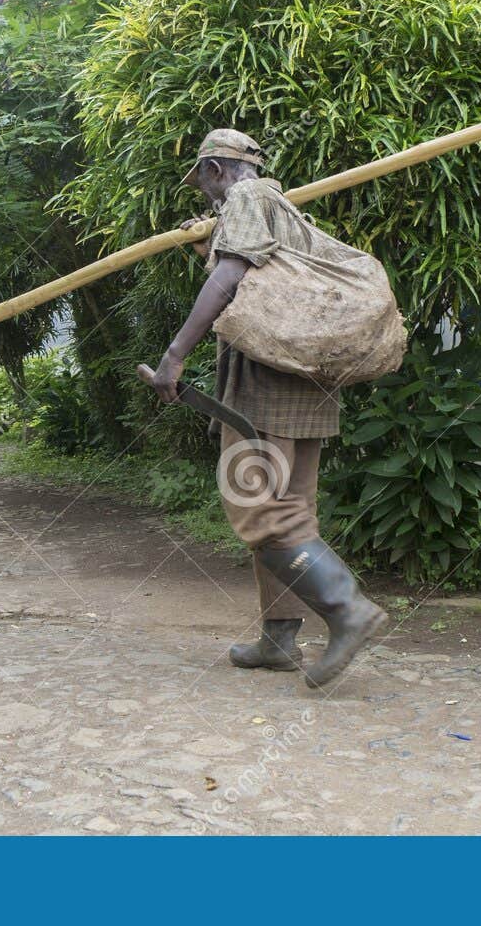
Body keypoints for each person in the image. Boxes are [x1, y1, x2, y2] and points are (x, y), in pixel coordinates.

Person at [147, 128, 387, 689]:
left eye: (204, 184)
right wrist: (208, 250)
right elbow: (264, 281)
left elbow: (233, 280)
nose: (205, 198)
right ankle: (278, 639)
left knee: (260, 508)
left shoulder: (247, 199)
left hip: (267, 386)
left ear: (213, 170)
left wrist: (173, 356)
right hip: (304, 385)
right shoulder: (279, 206)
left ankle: (348, 611)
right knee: (289, 509)